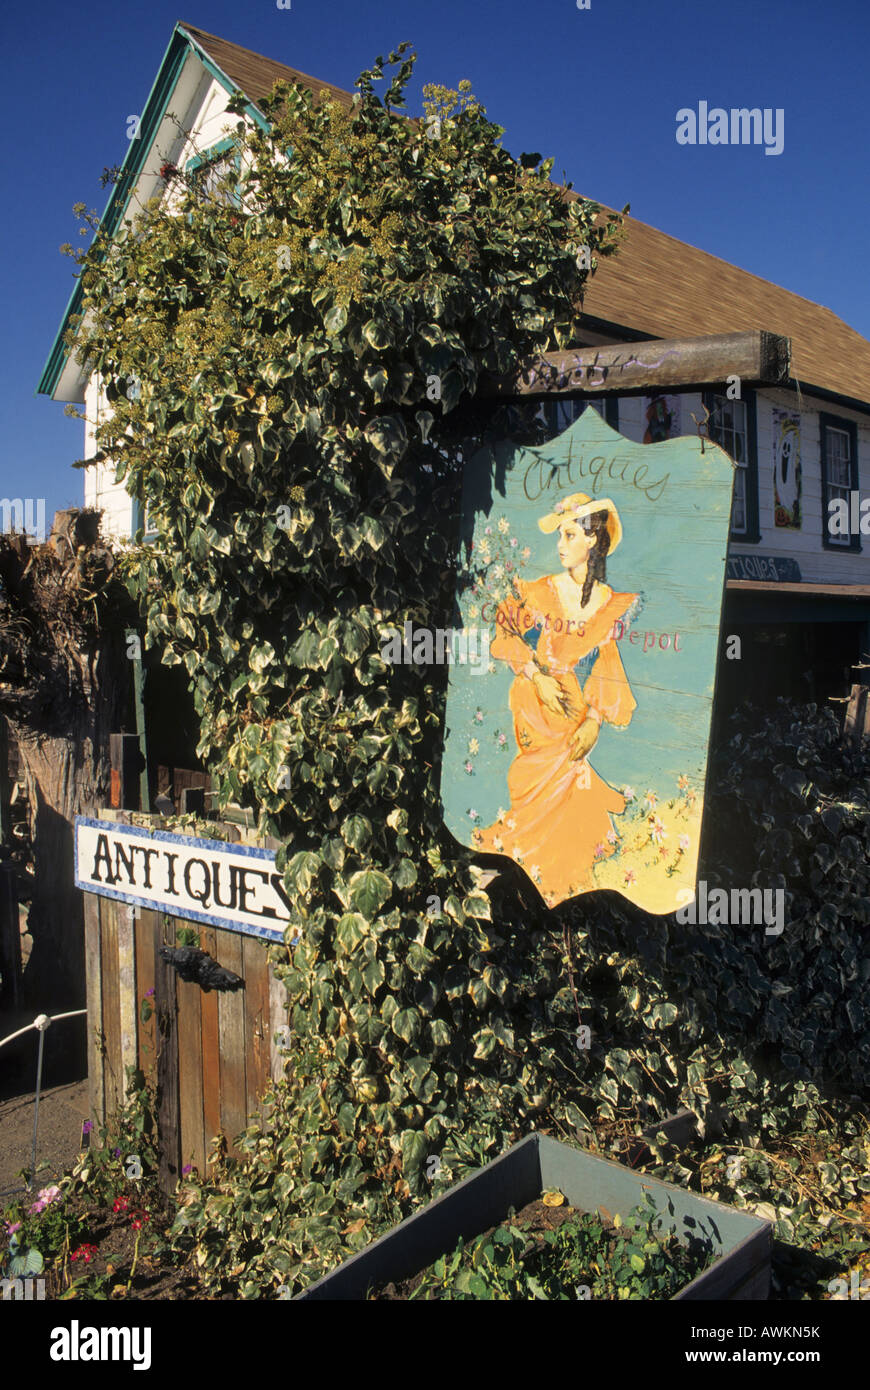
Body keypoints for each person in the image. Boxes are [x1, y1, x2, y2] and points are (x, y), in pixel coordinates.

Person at [474, 491, 638, 904]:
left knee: (574, 787)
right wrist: (534, 673)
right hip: (536, 698)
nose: (560, 545)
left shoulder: (607, 602)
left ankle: (566, 883)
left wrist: (595, 719)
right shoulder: (543, 590)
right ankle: (525, 876)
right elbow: (505, 632)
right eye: (559, 536)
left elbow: (608, 663)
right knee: (529, 781)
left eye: (569, 535)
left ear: (592, 541)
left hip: (574, 707)